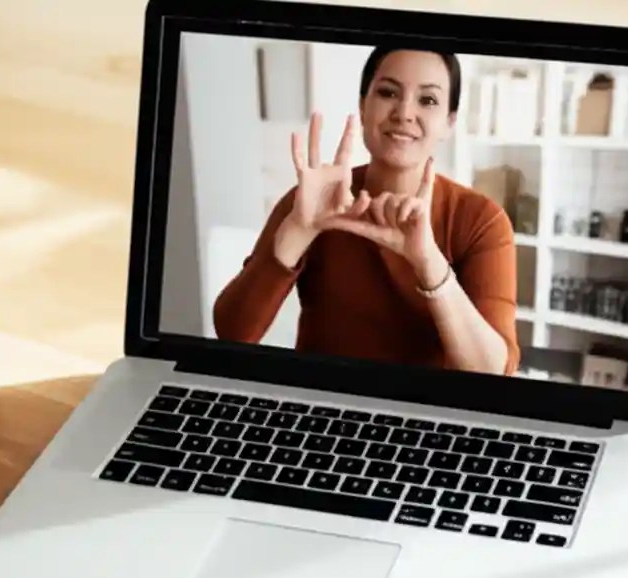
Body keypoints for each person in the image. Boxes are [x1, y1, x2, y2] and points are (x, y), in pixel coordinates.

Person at [212, 46, 520, 376]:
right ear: (363, 108)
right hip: (319, 403)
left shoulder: (481, 221)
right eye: (388, 92)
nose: (404, 112)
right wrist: (299, 230)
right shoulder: (314, 200)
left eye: (427, 100)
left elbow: (493, 373)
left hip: (426, 414)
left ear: (449, 123)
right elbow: (232, 333)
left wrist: (428, 262)